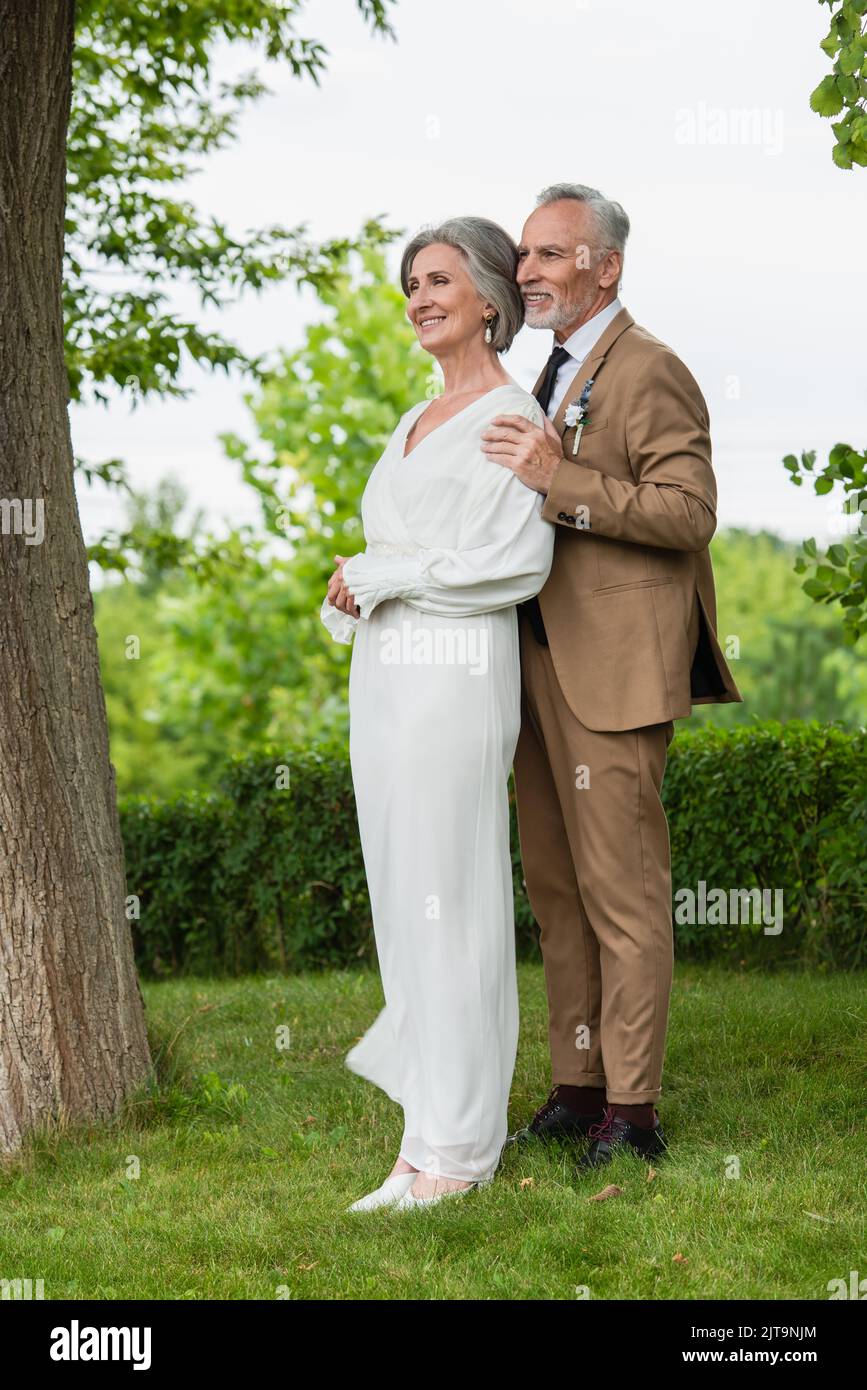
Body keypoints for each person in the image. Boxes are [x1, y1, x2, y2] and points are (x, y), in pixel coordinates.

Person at [479, 184, 742, 1169]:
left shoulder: (652, 369)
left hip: (615, 669)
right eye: (524, 255)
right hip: (531, 661)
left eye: (550, 254)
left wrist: (563, 482)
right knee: (556, 891)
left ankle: (632, 1114)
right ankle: (576, 1087)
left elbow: (687, 513)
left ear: (607, 266)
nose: (529, 271)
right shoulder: (540, 374)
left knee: (623, 895)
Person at [321, 217, 555, 1210]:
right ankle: (420, 1141)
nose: (419, 297)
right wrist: (352, 589)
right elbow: (395, 553)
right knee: (404, 901)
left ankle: (462, 1147)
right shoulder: (411, 419)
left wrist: (383, 574)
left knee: (450, 903)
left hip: (454, 684)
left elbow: (514, 563)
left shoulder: (509, 415)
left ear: (491, 299)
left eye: (440, 280)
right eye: (411, 283)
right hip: (385, 686)